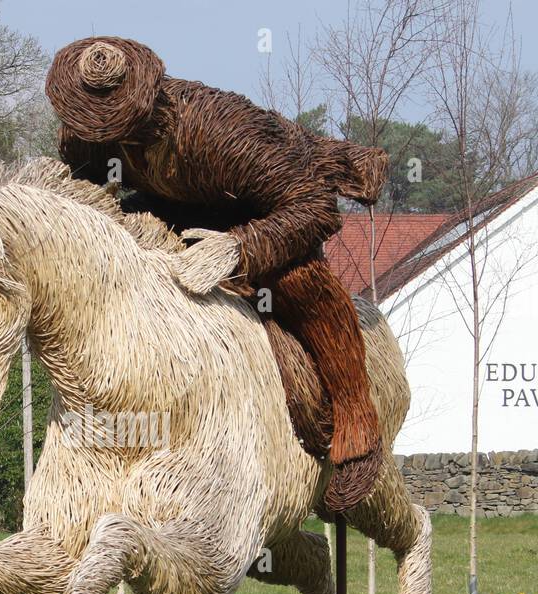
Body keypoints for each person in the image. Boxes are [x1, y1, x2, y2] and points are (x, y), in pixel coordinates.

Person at [45, 36, 389, 512]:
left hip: (260, 215)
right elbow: (87, 188)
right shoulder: (84, 135)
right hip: (167, 213)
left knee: (302, 287)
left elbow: (314, 207)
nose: (96, 131)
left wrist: (236, 249)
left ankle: (356, 417)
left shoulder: (217, 129)